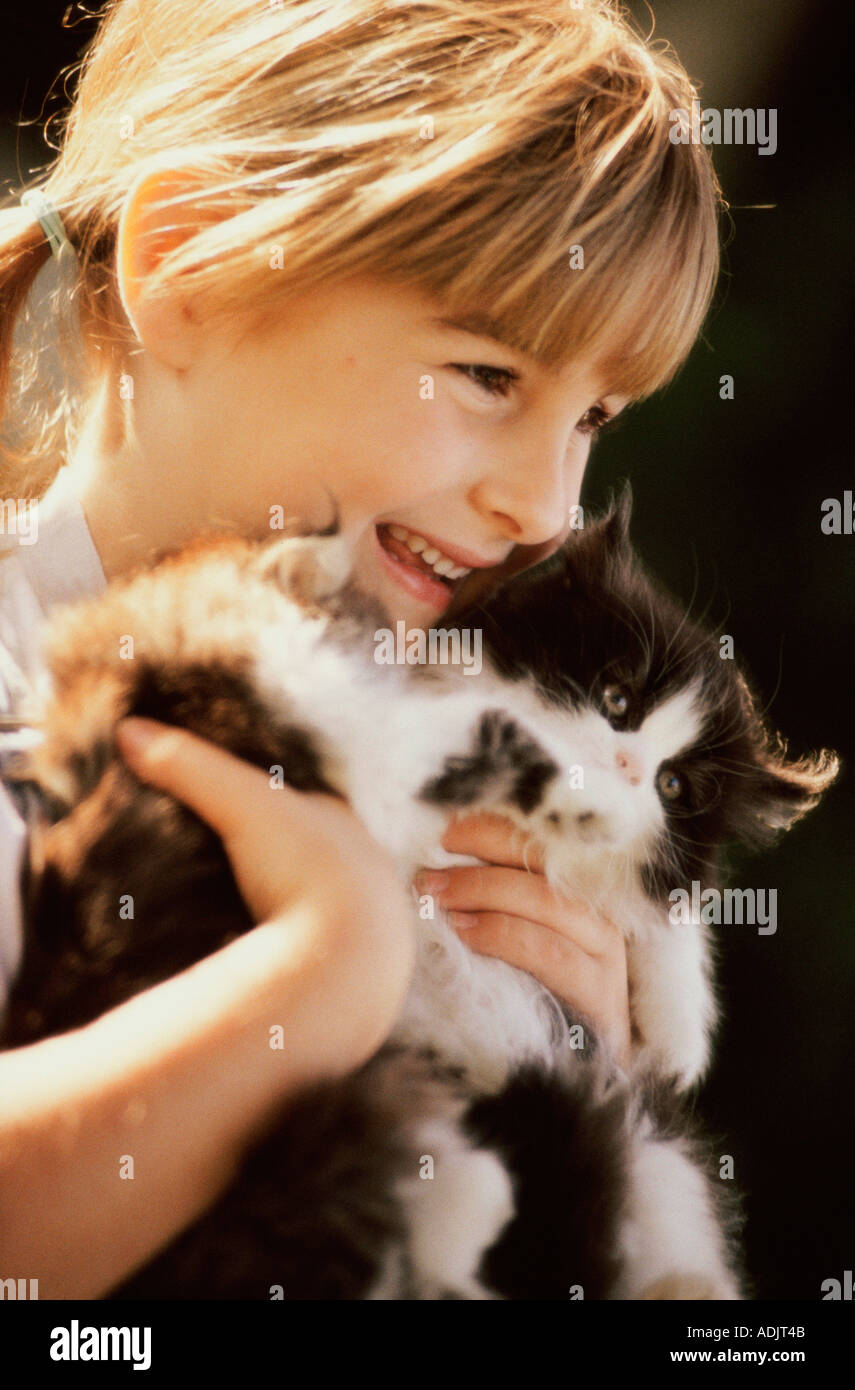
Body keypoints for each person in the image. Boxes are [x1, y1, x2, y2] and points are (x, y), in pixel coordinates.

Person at [0, 0, 720, 1298]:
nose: (548, 511)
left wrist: (574, 1093)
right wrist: (334, 956)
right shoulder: (19, 681)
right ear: (191, 261)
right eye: (489, 377)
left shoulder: (455, 745)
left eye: (594, 417)